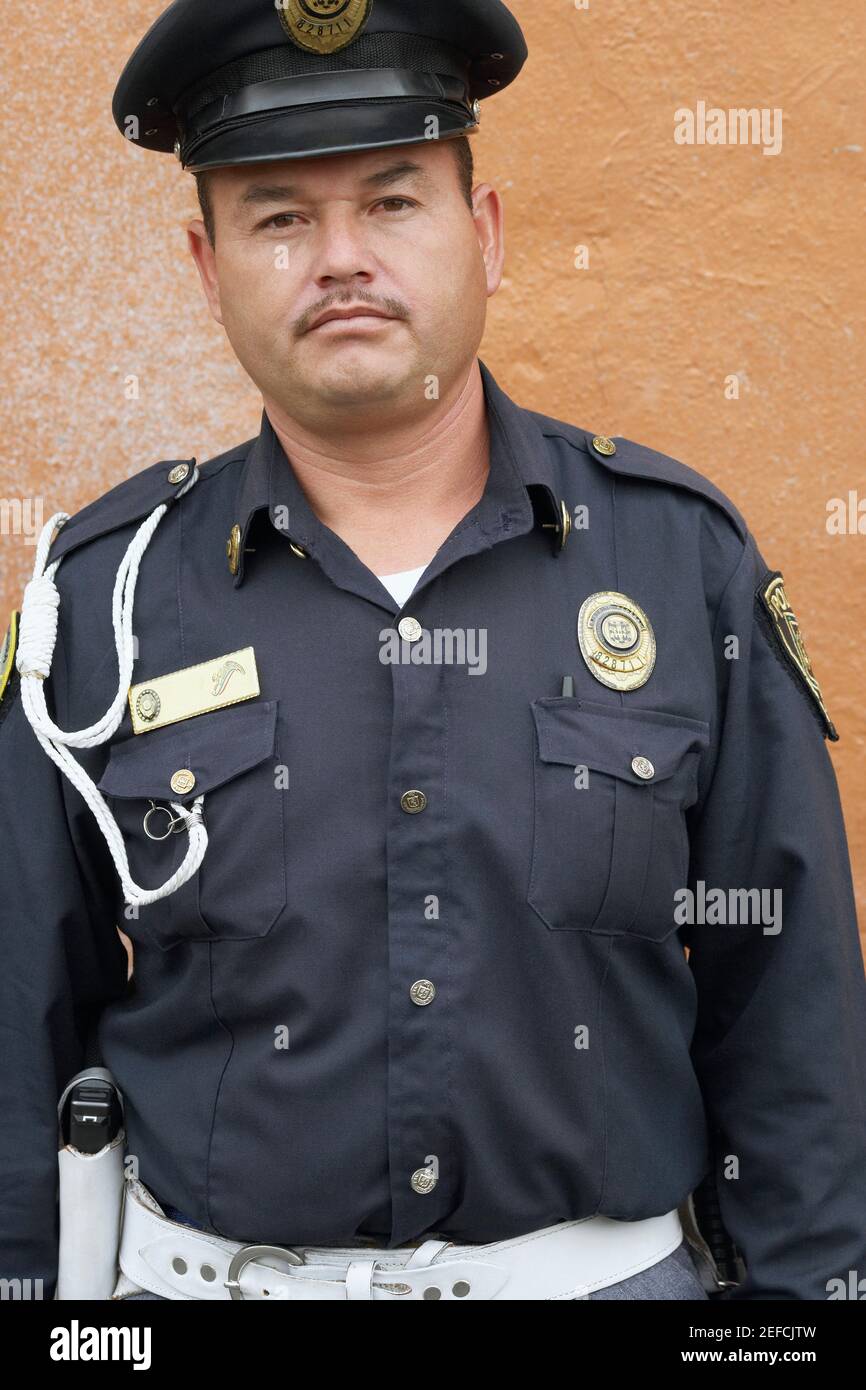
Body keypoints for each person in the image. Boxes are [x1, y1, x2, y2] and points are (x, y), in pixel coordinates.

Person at [1, 0, 864, 1303]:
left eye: (394, 201)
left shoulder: (677, 564)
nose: (340, 256)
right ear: (205, 264)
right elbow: (16, 1024)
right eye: (279, 217)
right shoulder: (104, 594)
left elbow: (788, 1006)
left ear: (487, 233)